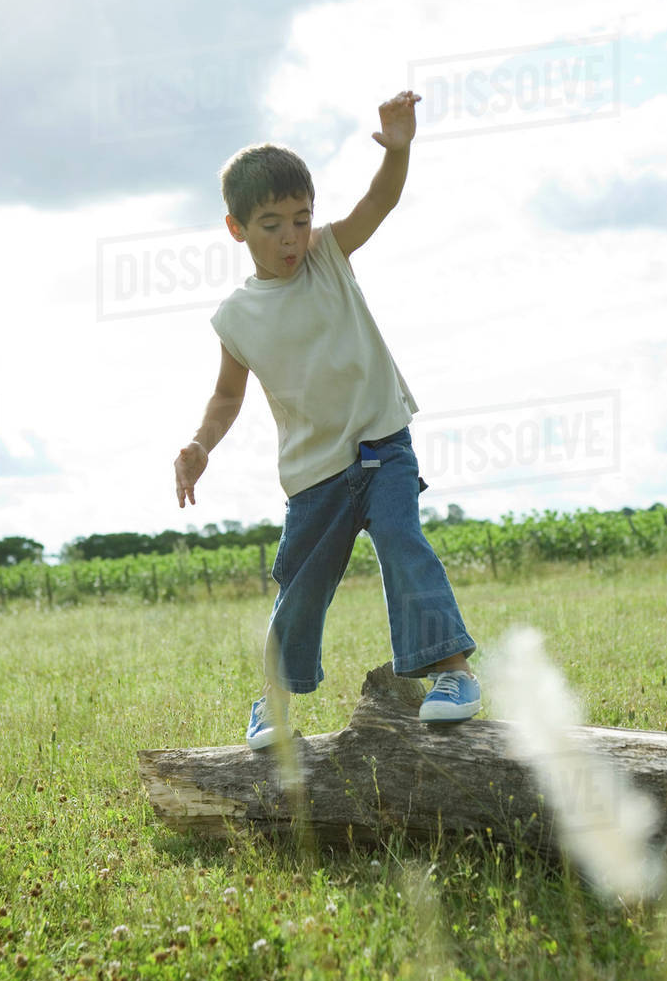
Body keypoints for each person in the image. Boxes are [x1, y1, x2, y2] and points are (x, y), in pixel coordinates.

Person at [174, 90, 480, 749]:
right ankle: (274, 702)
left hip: (380, 444)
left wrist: (397, 152)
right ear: (236, 228)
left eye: (299, 218)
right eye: (271, 224)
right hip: (314, 473)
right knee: (301, 586)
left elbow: (379, 203)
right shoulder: (237, 317)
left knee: (402, 540)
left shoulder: (327, 255)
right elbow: (228, 397)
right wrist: (201, 445)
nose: (290, 237)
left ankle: (450, 672)